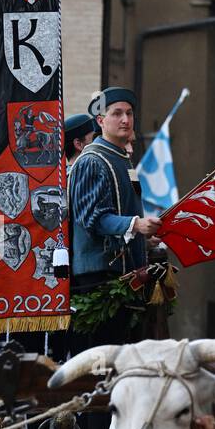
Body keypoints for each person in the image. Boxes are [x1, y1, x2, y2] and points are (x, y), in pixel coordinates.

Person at [67, 87, 160, 347]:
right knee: (101, 360)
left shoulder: (121, 159)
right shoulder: (92, 160)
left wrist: (144, 239)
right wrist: (137, 225)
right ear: (100, 121)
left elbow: (122, 213)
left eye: (129, 113)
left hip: (123, 274)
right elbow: (92, 219)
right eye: (116, 113)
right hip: (99, 276)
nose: (125, 120)